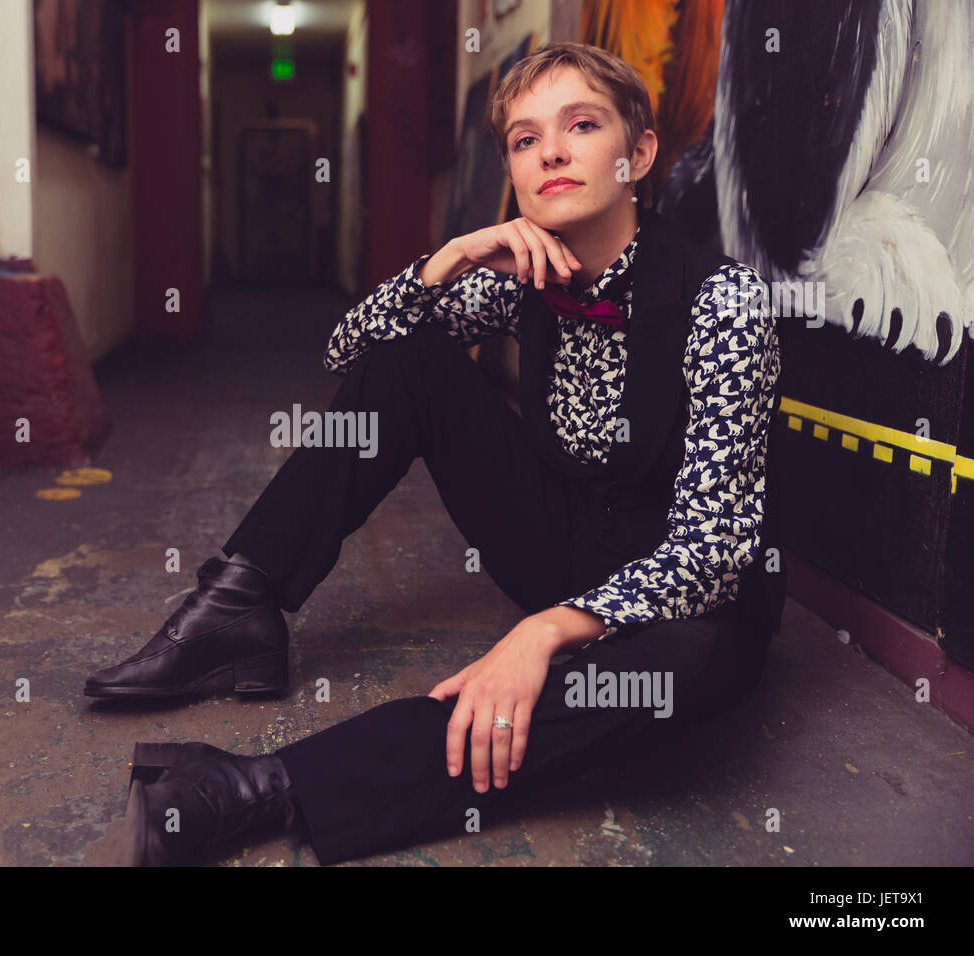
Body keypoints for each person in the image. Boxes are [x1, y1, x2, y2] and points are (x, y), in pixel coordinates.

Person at [88, 41, 787, 866]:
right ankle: (243, 600)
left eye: (582, 125)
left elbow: (714, 553)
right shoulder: (517, 275)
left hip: (678, 600)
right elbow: (349, 360)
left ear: (636, 155)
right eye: (525, 140)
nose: (551, 151)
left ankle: (251, 789)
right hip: (560, 546)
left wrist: (542, 635)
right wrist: (442, 265)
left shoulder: (726, 303)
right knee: (411, 358)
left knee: (667, 676)